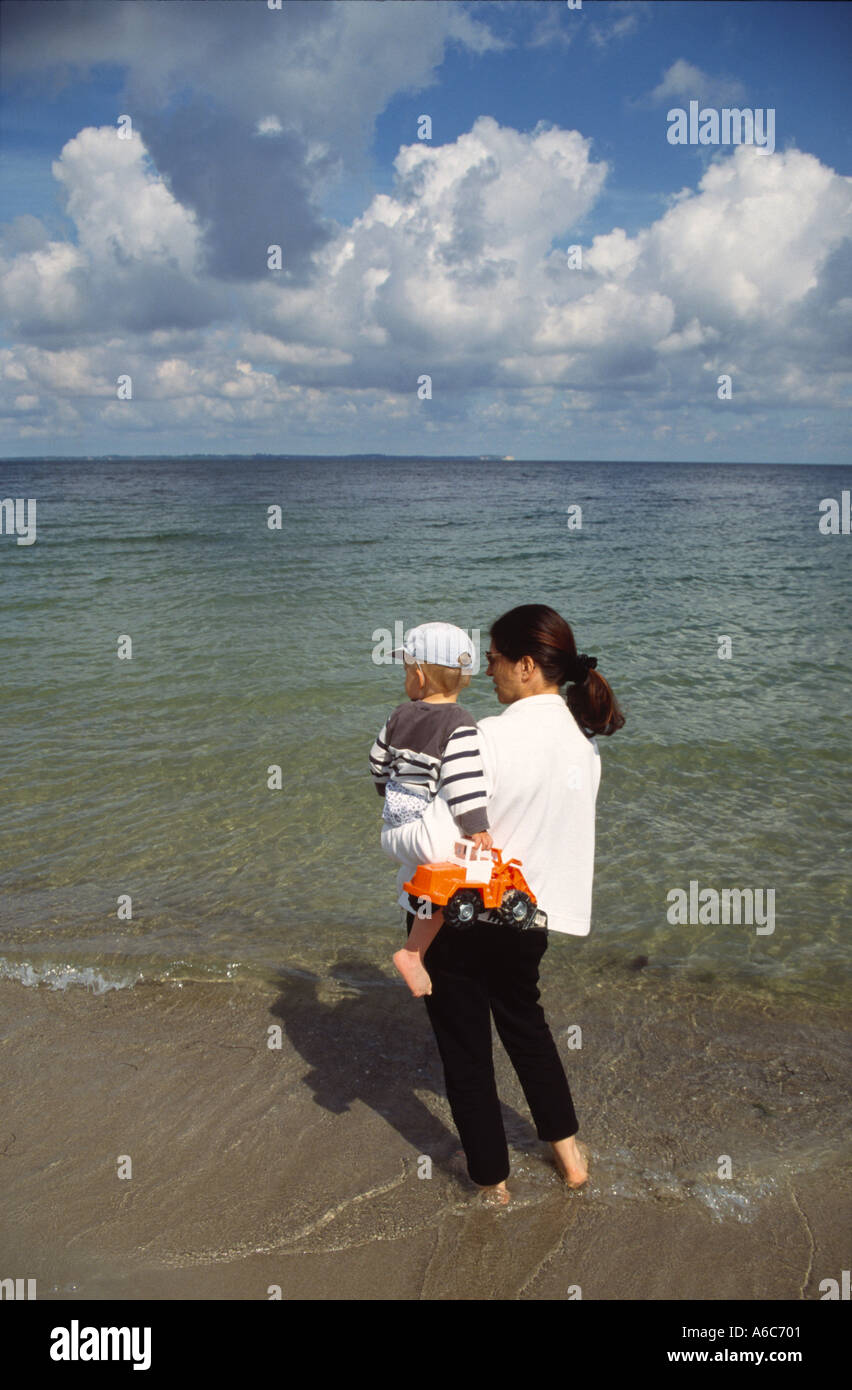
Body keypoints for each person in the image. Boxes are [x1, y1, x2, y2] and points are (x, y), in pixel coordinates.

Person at [383, 604, 625, 1203]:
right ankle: (569, 1156)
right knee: (527, 1029)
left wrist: (394, 819)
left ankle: (492, 1182)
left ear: (524, 665)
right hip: (527, 917)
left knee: (466, 1050)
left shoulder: (484, 735)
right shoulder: (583, 749)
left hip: (461, 918)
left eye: (492, 660)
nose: (486, 672)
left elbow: (436, 840)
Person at [369, 622, 493, 998]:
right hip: (425, 834)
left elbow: (376, 762)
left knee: (425, 877)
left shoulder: (398, 715)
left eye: (407, 670)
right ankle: (412, 952)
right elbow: (463, 781)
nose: (406, 679)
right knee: (459, 871)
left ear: (419, 676)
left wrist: (388, 792)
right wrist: (477, 827)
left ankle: (413, 902)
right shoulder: (460, 724)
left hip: (393, 830)